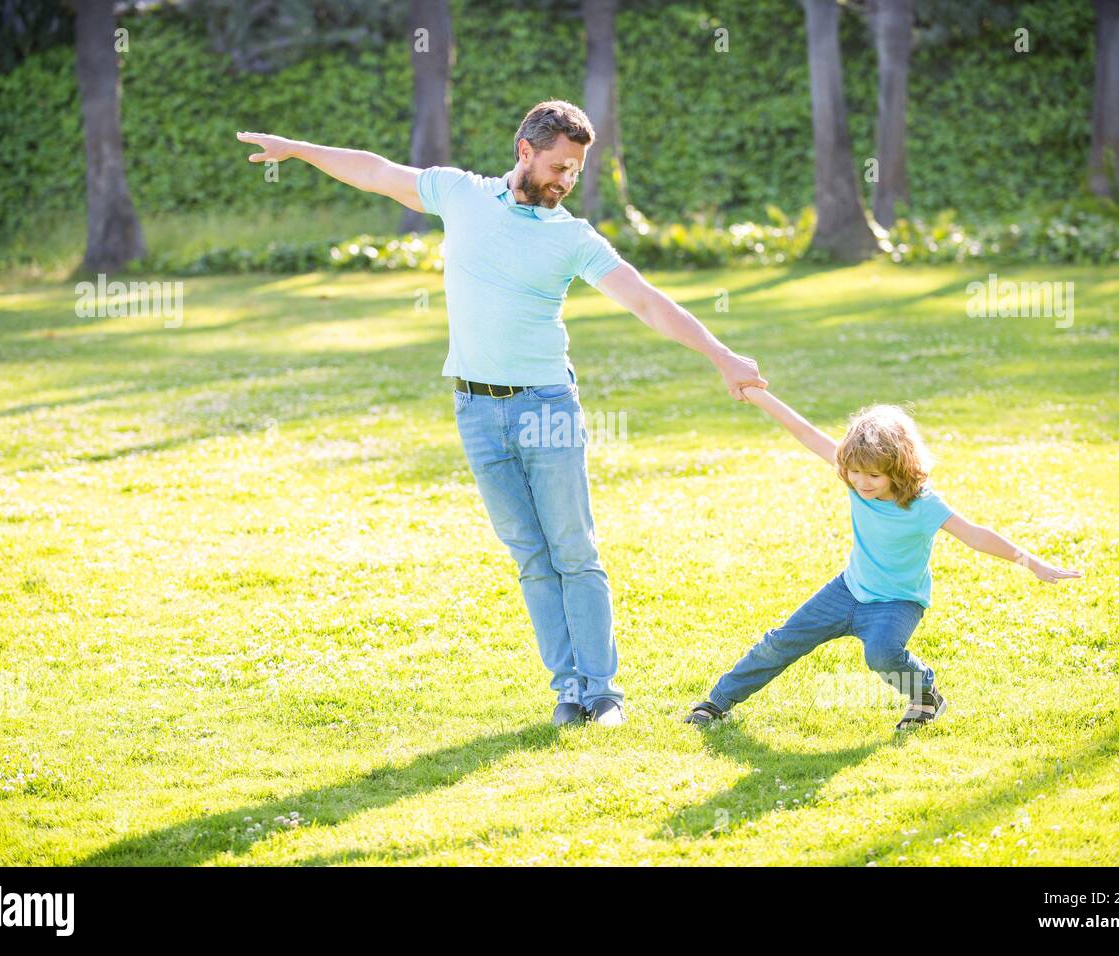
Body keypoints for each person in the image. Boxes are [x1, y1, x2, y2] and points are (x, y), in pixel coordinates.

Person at [238, 100, 766, 727]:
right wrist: (296, 149)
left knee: (573, 551)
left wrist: (721, 354)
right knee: (531, 556)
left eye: (576, 171)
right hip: (475, 408)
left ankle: (603, 694)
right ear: (525, 151)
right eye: (560, 166)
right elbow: (376, 171)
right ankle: (567, 691)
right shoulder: (459, 194)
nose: (567, 181)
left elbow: (648, 303)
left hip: (546, 407)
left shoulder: (571, 237)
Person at [684, 387, 1082, 730]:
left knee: (882, 654)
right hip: (848, 589)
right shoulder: (855, 478)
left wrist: (1031, 562)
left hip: (897, 601)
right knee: (781, 642)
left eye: (872, 475)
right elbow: (804, 431)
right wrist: (755, 393)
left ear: (899, 468)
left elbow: (975, 535)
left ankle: (925, 694)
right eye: (854, 472)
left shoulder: (924, 505)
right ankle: (716, 703)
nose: (860, 482)